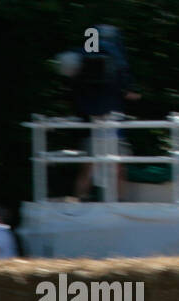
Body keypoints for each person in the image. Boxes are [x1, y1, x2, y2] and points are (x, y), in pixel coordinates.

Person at [59, 24, 141, 201]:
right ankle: (118, 204)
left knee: (89, 164)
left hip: (90, 118)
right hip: (112, 117)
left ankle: (78, 200)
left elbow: (68, 74)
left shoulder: (83, 55)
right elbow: (127, 89)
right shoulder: (115, 55)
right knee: (118, 164)